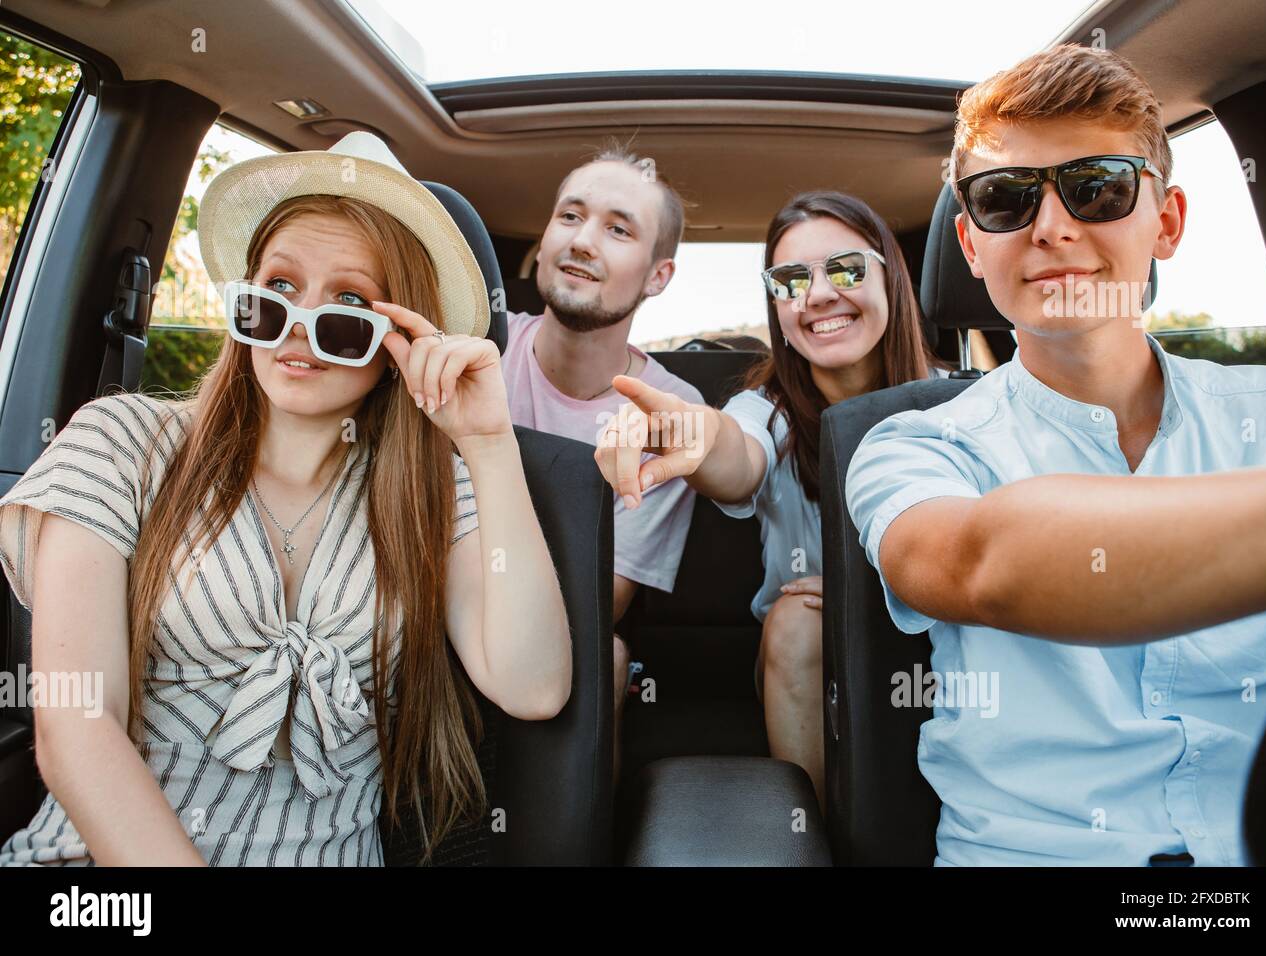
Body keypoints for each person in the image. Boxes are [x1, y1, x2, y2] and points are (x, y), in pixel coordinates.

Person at [0, 132, 571, 866]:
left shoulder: (434, 490)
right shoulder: (120, 443)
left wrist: (489, 444)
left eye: (347, 306)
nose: (298, 327)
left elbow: (534, 686)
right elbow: (77, 725)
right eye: (275, 291)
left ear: (398, 341)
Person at [845, 44, 1266, 865]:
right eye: (1004, 199)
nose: (1052, 227)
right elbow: (985, 563)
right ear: (973, 246)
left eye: (1097, 188)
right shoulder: (910, 446)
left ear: (1167, 221)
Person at [595, 191, 941, 807]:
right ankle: (813, 837)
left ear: (892, 275)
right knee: (795, 626)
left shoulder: (958, 407)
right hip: (814, 658)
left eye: (846, 268)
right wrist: (690, 433)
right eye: (789, 280)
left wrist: (860, 597)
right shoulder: (766, 412)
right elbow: (736, 455)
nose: (818, 295)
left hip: (945, 654)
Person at [499, 145, 703, 775]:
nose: (583, 241)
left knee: (605, 655)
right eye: (569, 217)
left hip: (557, 638)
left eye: (618, 229)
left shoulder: (672, 411)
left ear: (657, 277)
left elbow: (601, 599)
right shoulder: (483, 349)